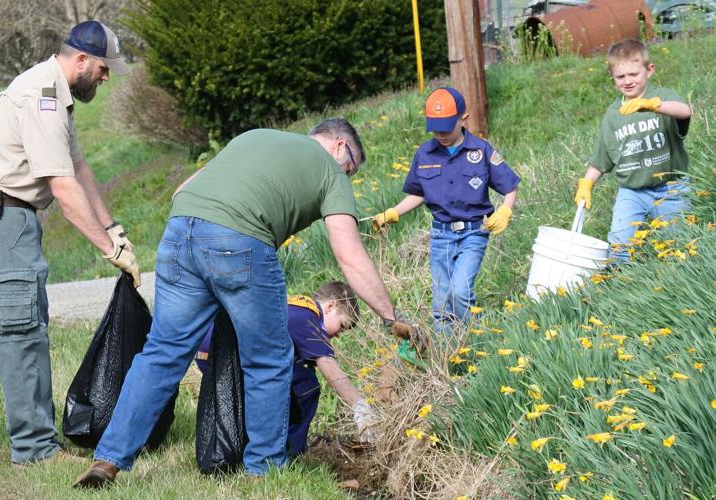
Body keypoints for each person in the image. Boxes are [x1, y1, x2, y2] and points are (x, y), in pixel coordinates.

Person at [74, 118, 414, 488]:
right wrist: (388, 315)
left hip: (180, 230)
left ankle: (108, 460)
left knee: (163, 352)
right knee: (269, 357)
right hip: (239, 240)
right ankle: (265, 468)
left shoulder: (255, 137)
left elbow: (182, 190)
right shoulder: (330, 171)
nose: (348, 176)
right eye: (351, 167)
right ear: (337, 146)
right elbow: (349, 254)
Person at [0, 20, 139, 467]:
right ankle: (34, 448)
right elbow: (61, 187)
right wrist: (106, 248)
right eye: (102, 67)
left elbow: (78, 169)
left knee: (32, 330)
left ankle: (41, 441)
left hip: (15, 217)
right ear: (80, 59)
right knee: (20, 334)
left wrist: (113, 228)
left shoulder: (56, 97)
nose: (105, 76)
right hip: (1, 217)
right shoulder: (40, 97)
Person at [371, 87, 519, 350]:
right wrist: (393, 212)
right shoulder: (425, 154)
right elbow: (418, 194)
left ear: (464, 118)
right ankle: (446, 352)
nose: (440, 134)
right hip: (441, 235)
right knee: (441, 303)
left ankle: (480, 342)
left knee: (460, 292)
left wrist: (505, 209)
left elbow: (509, 187)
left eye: (446, 128)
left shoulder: (481, 150)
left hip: (473, 232)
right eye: (435, 128)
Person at [194, 281, 376, 456]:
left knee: (298, 377)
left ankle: (259, 442)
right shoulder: (308, 319)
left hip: (211, 348)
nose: (338, 334)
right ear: (330, 307)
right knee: (307, 386)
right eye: (342, 326)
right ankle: (289, 450)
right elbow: (329, 367)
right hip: (224, 356)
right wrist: (359, 406)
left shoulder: (297, 307)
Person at [573, 38, 692, 264]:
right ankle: (619, 284)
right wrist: (586, 183)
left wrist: (652, 105)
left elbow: (685, 111)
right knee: (619, 244)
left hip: (671, 187)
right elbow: (602, 157)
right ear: (612, 77)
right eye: (621, 76)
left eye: (634, 74)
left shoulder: (663, 97)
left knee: (678, 244)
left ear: (649, 70)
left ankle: (676, 283)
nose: (627, 81)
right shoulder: (613, 115)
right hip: (632, 192)